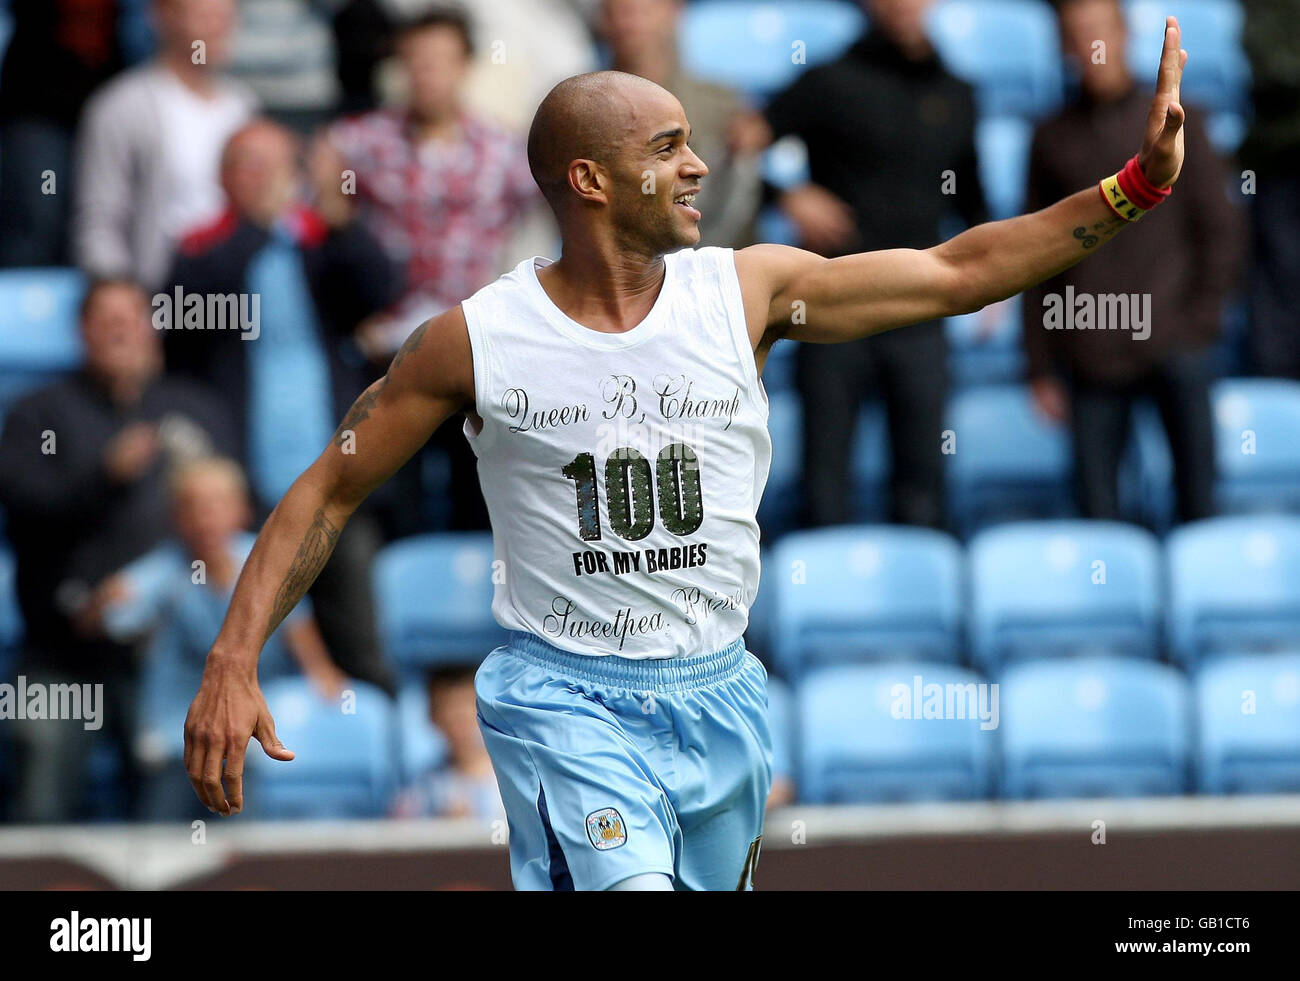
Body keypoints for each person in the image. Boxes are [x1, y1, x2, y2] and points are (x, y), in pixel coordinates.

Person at [184, 22, 1191, 890]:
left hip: (719, 693)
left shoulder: (744, 293)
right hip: (565, 699)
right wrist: (234, 655)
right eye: (667, 147)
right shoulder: (472, 340)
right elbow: (327, 488)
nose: (699, 163)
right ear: (590, 179)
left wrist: (1135, 186)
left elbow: (954, 272)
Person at [164, 119, 401, 692]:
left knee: (360, 646)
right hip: (248, 490)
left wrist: (339, 219)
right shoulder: (204, 245)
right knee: (246, 653)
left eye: (279, 165)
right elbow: (183, 312)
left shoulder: (319, 239)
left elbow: (381, 288)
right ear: (223, 178)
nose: (268, 178)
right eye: (251, 165)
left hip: (336, 478)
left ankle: (378, 766)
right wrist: (259, 228)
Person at [731, 0, 987, 529]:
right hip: (831, 308)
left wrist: (996, 284)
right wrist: (789, 195)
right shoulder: (828, 81)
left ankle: (917, 595)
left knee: (923, 482)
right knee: (825, 480)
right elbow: (737, 151)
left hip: (920, 309)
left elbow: (972, 197)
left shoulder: (957, 93)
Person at [0, 279, 236, 822]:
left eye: (131, 317)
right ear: (81, 332)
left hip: (172, 658)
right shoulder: (38, 415)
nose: (120, 330)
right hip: (62, 653)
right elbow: (20, 504)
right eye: (105, 320)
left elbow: (233, 508)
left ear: (152, 328)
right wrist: (102, 476)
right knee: (40, 804)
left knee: (178, 821)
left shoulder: (195, 407)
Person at [1024, 0, 1242, 523]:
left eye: (1099, 31)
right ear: (1062, 45)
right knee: (1096, 508)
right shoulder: (1050, 137)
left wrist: (1197, 324)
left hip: (1175, 344)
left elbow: (1221, 232)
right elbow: (1032, 259)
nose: (1090, 47)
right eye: (1077, 35)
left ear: (1123, 33)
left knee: (1199, 504)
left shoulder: (1178, 124)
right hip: (1091, 350)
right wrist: (1039, 367)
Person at [327, 6, 542, 532]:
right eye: (415, 62)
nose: (425, 74)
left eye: (439, 62)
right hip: (389, 349)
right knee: (392, 498)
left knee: (481, 496)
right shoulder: (365, 141)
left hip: (475, 346)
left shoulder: (501, 149)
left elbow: (556, 207)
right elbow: (322, 178)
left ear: (465, 66)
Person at [94, 457, 344, 820]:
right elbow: (113, 614)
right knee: (161, 838)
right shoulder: (166, 569)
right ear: (176, 518)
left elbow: (298, 625)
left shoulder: (262, 559)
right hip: (172, 739)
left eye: (216, 505)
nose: (204, 518)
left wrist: (322, 672)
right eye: (192, 507)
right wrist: (107, 599)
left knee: (242, 824)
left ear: (241, 510)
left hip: (249, 734)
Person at [72, 0, 256, 291]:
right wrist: (118, 291)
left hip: (238, 302)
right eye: (204, 16)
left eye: (227, 16)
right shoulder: (120, 107)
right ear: (162, 17)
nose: (220, 28)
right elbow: (100, 220)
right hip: (160, 300)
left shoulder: (243, 106)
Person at [599, 0, 761, 249]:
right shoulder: (583, 107)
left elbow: (738, 194)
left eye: (641, 11)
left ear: (674, 11)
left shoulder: (721, 104)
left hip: (712, 249)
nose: (628, 23)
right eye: (616, 12)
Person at [390, 665, 506, 821]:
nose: (459, 726)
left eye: (466, 713)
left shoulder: (511, 780)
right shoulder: (422, 786)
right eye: (450, 713)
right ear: (433, 717)